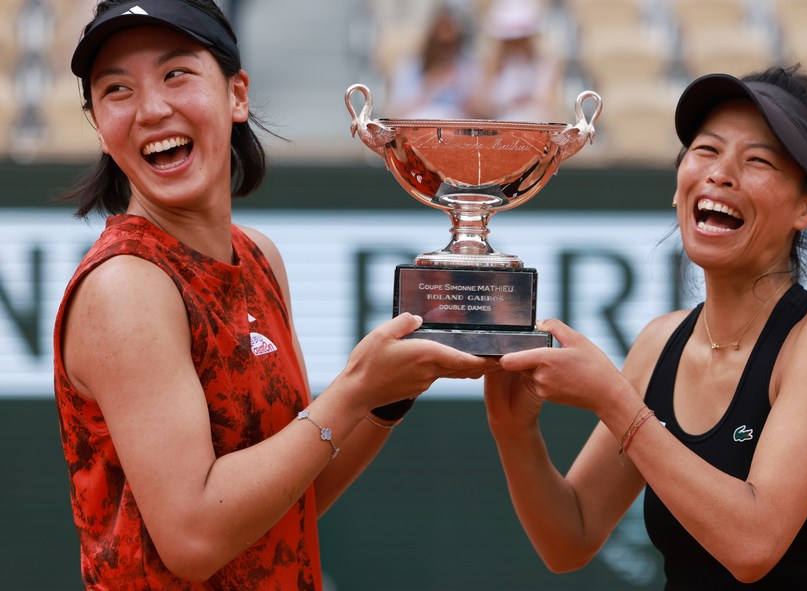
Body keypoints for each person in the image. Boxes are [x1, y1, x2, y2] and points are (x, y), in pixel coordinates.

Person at [52, 1, 492, 588]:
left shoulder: (259, 256)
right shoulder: (125, 286)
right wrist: (353, 389)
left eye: (176, 74)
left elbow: (293, 500)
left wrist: (387, 396)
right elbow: (194, 537)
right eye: (116, 90)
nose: (152, 108)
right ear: (99, 128)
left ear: (236, 95)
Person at [484, 65, 807, 589]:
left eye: (758, 160)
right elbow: (570, 538)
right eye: (706, 150)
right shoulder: (659, 342)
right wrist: (513, 429)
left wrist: (615, 402)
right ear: (679, 184)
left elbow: (752, 546)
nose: (720, 173)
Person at [467, 0, 564, 122]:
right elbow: (477, 105)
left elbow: (549, 105)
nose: (516, 43)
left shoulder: (545, 64)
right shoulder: (491, 65)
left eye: (521, 39)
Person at [385, 4, 478, 119]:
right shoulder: (410, 66)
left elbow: (480, 111)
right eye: (439, 44)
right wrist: (431, 84)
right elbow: (395, 111)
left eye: (449, 45)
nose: (444, 51)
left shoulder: (468, 67)